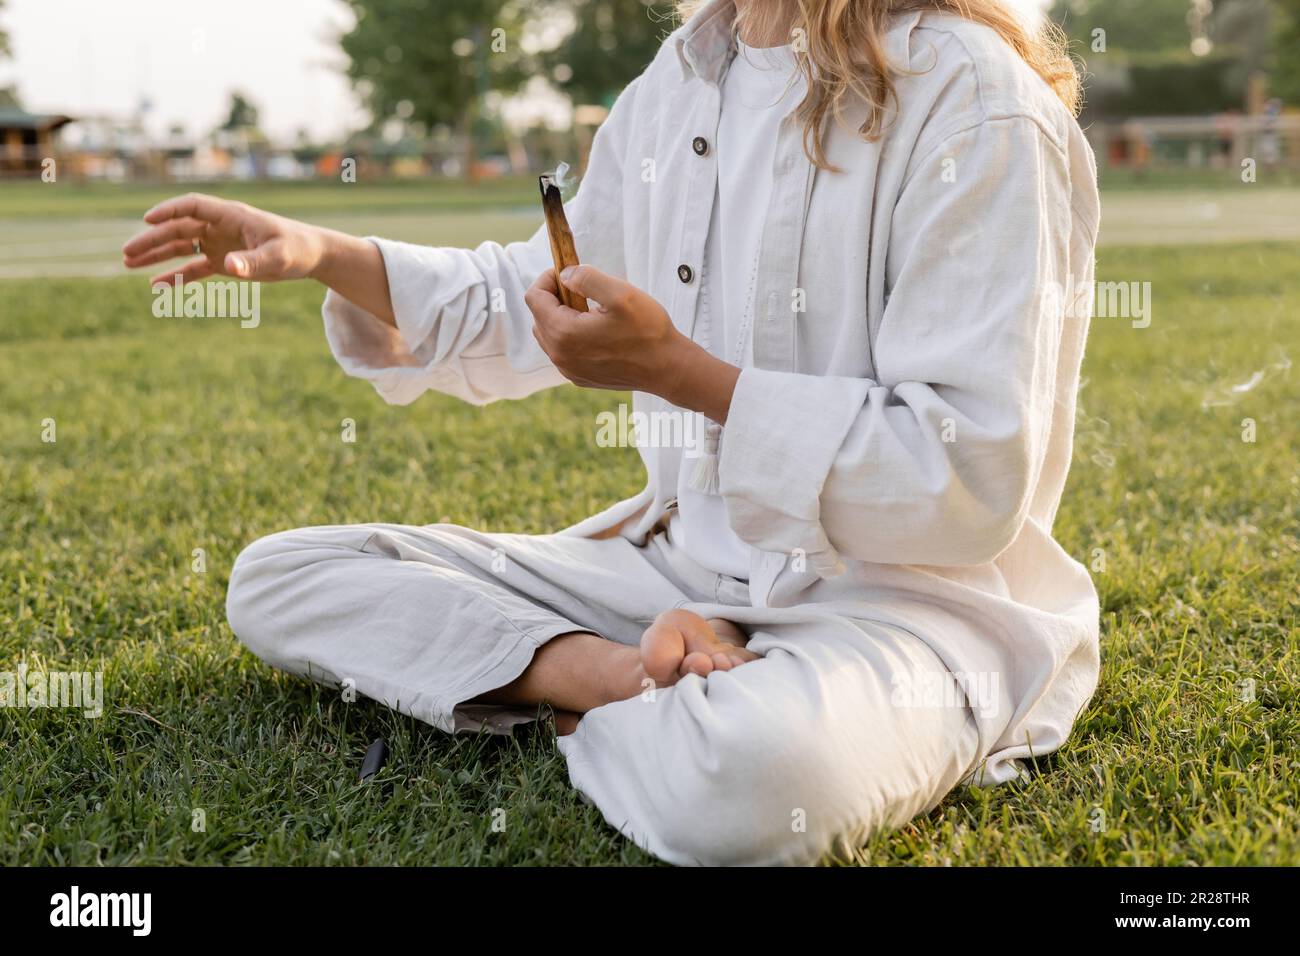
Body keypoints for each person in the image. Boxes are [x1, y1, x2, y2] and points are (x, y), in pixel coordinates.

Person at [122, 0, 1101, 866]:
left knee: (760, 771)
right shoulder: (678, 82)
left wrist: (678, 372)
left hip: (898, 606)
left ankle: (632, 686)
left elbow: (964, 479)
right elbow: (534, 296)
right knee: (281, 575)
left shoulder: (976, 102)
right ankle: (619, 673)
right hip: (664, 575)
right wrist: (319, 253)